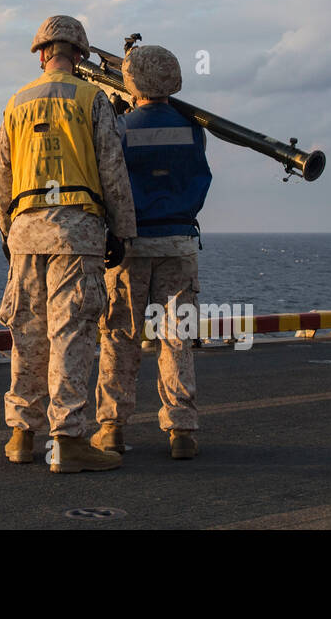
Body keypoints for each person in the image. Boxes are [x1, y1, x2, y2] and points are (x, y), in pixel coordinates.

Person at [0, 15, 137, 473]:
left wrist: (7, 232)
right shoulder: (91, 98)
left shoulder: (15, 102)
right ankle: (69, 441)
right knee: (71, 334)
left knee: (27, 334)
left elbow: (2, 176)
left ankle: (21, 435)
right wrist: (123, 232)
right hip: (76, 234)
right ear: (79, 55)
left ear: (42, 54)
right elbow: (113, 169)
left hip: (25, 233)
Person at [93, 44, 211, 460]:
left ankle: (111, 428)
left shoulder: (121, 127)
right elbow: (199, 178)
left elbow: (110, 182)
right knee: (177, 337)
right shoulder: (193, 127)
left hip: (131, 245)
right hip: (179, 243)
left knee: (119, 335)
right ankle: (182, 431)